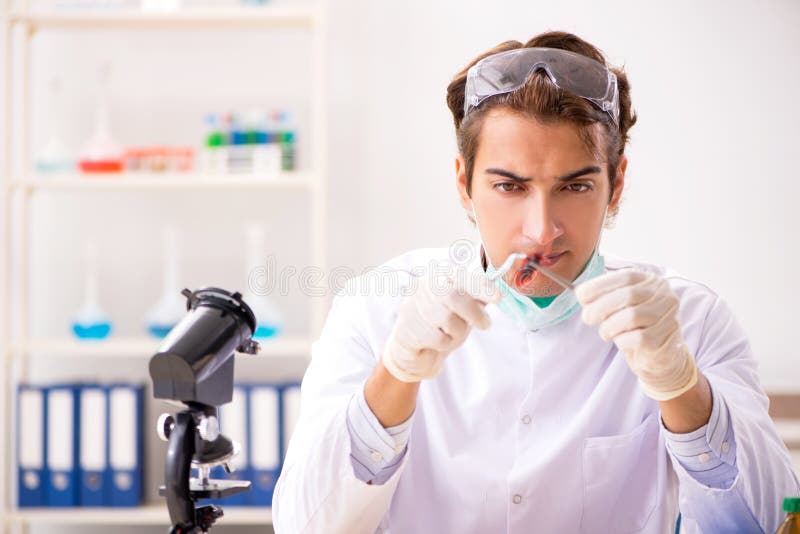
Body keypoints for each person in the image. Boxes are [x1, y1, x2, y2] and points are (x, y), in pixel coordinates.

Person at [272, 31, 800, 533]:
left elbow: (768, 523)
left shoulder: (689, 319)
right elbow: (303, 525)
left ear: (616, 185)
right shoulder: (376, 308)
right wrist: (395, 374)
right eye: (509, 186)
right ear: (464, 182)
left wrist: (682, 388)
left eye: (574, 186)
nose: (541, 230)